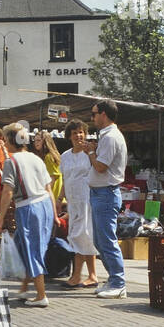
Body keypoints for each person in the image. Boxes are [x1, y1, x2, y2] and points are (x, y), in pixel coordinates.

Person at [0, 124, 55, 307]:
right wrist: (53, 213)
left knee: (32, 249)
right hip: (44, 204)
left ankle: (41, 295)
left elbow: (7, 191)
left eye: (5, 139)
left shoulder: (11, 162)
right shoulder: (36, 159)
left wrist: (0, 219)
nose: (4, 143)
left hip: (28, 208)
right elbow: (49, 188)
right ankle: (24, 287)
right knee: (24, 246)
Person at [85, 99, 128, 298]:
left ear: (103, 114)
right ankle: (113, 280)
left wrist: (91, 151)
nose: (92, 117)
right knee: (100, 240)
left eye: (94, 113)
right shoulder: (106, 136)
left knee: (107, 240)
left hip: (106, 193)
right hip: (101, 192)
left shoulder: (111, 137)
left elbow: (101, 166)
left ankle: (118, 283)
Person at [57, 120, 99, 287]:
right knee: (79, 236)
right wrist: (60, 199)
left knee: (82, 235)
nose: (78, 135)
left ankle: (78, 276)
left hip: (87, 199)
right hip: (73, 202)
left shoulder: (89, 154)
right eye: (75, 133)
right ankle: (91, 275)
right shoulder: (65, 156)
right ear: (69, 136)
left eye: (81, 132)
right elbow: (65, 179)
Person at [31, 129, 65, 205]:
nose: (36, 143)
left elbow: (52, 178)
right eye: (35, 140)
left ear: (45, 141)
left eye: (39, 140)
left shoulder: (49, 157)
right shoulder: (52, 155)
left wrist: (42, 197)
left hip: (53, 199)